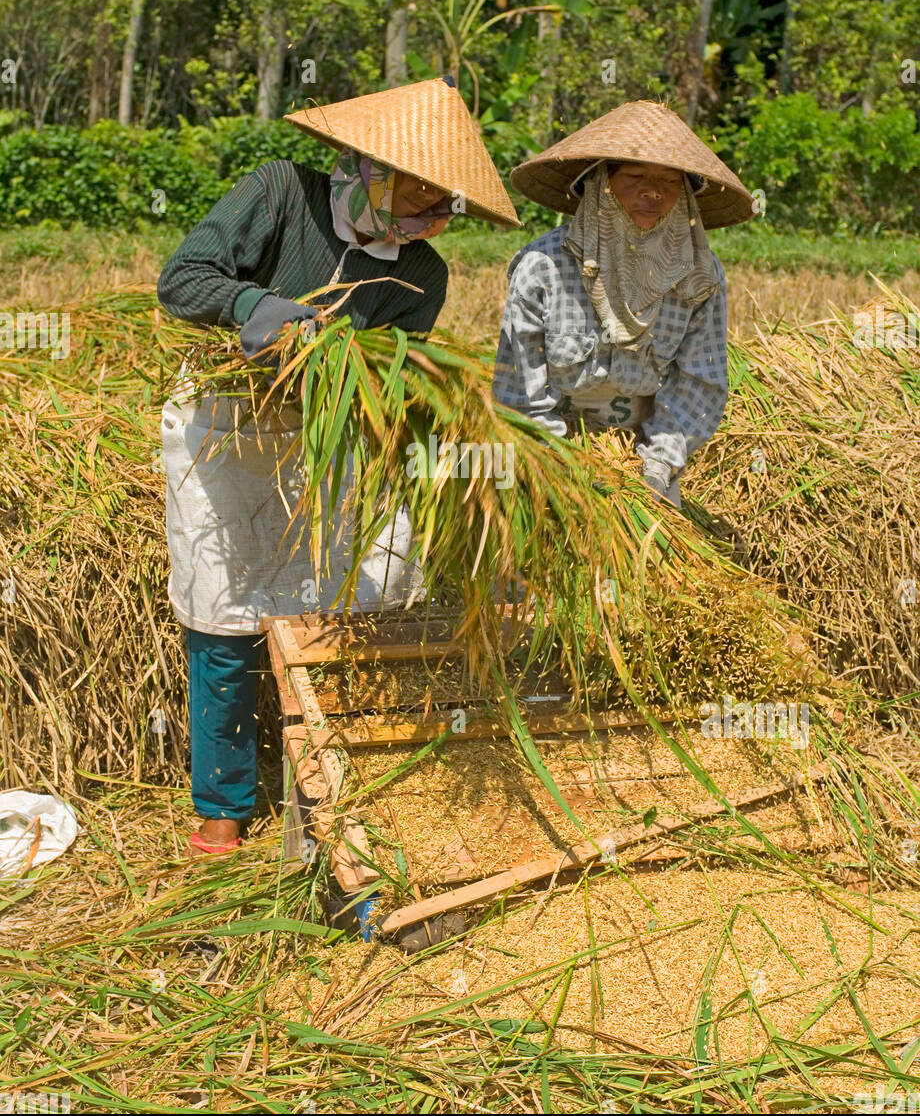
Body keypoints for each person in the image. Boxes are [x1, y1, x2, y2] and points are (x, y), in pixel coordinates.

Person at [157, 75, 519, 855]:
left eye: (441, 194)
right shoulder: (281, 192)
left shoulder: (422, 272)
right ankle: (222, 804)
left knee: (341, 611)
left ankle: (320, 797)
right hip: (229, 430)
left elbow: (393, 374)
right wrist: (254, 309)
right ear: (369, 162)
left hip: (327, 442)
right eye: (414, 181)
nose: (427, 205)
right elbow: (182, 280)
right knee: (222, 614)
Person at [492, 99, 755, 507]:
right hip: (548, 450)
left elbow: (700, 382)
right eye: (635, 175)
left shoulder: (699, 275)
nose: (653, 192)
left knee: (652, 567)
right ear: (601, 184)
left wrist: (657, 463)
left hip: (644, 453)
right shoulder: (543, 267)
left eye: (670, 182)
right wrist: (563, 463)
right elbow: (519, 387)